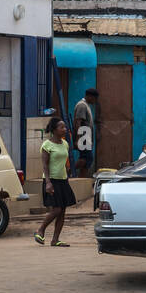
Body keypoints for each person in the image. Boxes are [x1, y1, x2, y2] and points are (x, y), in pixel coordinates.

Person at [36, 117, 75, 247]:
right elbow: (45, 165)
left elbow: (65, 162)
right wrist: (48, 182)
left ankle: (55, 240)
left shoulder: (65, 144)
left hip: (63, 180)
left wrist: (68, 174)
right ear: (54, 130)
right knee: (56, 209)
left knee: (62, 211)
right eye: (61, 127)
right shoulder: (47, 145)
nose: (64, 129)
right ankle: (40, 229)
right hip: (51, 180)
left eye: (65, 127)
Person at [72, 88, 99, 178]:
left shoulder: (86, 105)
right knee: (86, 158)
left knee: (87, 160)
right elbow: (78, 122)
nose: (95, 101)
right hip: (83, 137)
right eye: (94, 98)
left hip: (86, 137)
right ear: (89, 96)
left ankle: (81, 179)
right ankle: (69, 170)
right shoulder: (82, 105)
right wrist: (78, 139)